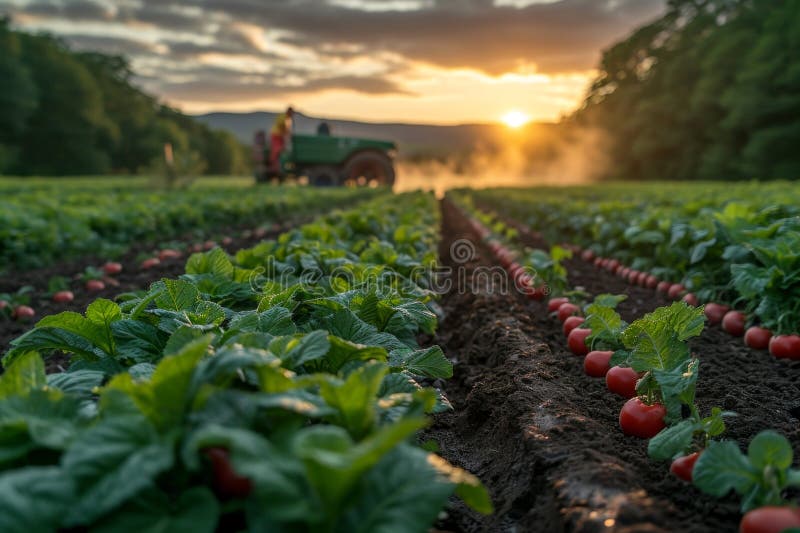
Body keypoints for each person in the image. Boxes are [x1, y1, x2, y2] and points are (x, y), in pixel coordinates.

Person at [270, 106, 294, 171]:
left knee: (282, 149)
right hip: (276, 135)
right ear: (288, 111)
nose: (292, 114)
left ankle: (279, 165)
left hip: (280, 136)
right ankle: (274, 165)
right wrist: (287, 133)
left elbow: (287, 129)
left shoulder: (288, 119)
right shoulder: (283, 117)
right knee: (277, 149)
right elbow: (282, 126)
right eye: (291, 112)